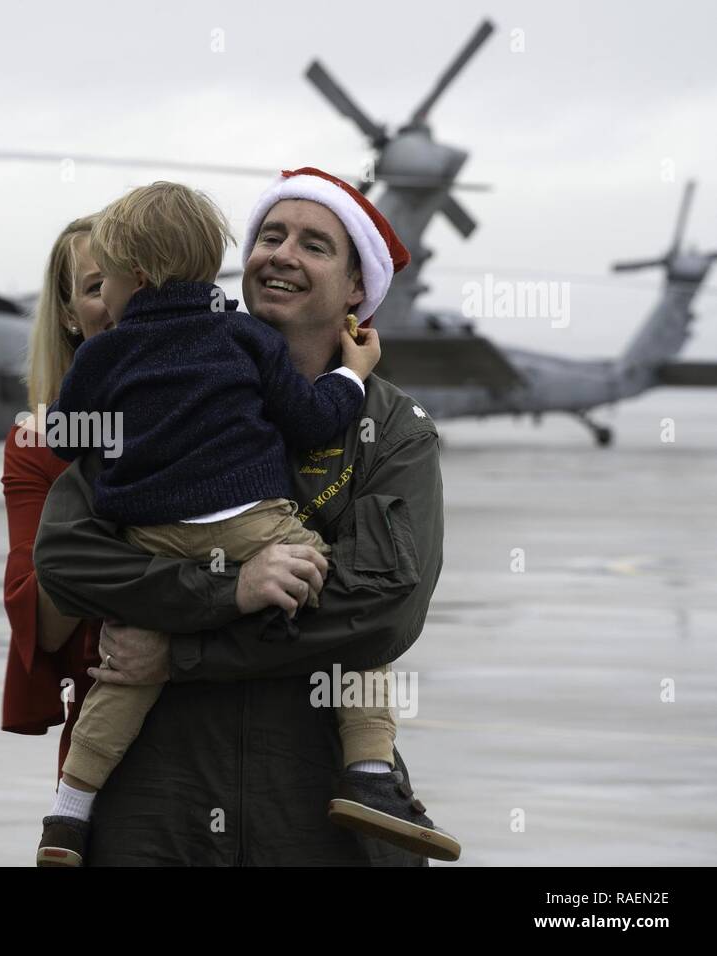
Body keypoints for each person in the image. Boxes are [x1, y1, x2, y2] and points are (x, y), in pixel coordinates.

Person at [33, 167, 450, 866]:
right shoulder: (150, 395)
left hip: (318, 810)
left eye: (315, 245)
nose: (283, 253)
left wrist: (179, 647)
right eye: (270, 235)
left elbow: (383, 606)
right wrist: (230, 589)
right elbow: (70, 564)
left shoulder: (392, 430)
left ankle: (374, 777)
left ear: (357, 289)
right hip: (161, 804)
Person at [1, 215, 110, 796]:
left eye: (136, 280)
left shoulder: (232, 406)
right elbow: (43, 626)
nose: (119, 300)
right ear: (68, 315)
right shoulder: (38, 444)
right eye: (97, 287)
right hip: (107, 750)